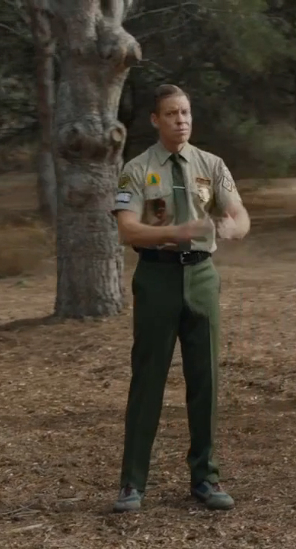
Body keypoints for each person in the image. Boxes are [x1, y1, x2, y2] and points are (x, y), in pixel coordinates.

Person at [109, 84, 251, 512]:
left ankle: (206, 478)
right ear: (156, 120)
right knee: (148, 379)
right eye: (171, 113)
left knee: (205, 379)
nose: (181, 120)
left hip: (202, 277)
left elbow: (239, 213)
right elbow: (127, 229)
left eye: (186, 112)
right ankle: (132, 483)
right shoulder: (137, 169)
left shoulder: (211, 164)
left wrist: (233, 227)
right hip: (157, 277)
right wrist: (175, 232)